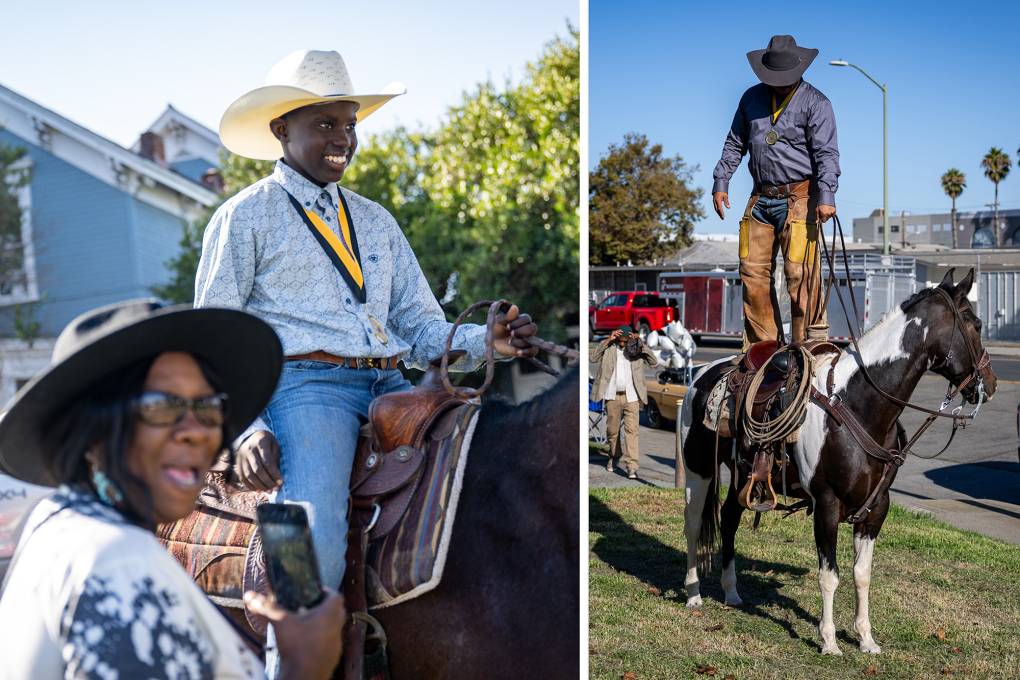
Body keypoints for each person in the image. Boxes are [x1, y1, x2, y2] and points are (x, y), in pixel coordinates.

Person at [194, 49, 538, 671]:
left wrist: (487, 339)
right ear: (281, 129)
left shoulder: (376, 222)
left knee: (494, 469)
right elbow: (216, 337)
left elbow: (422, 328)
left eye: (349, 124)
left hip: (393, 382)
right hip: (303, 387)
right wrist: (246, 429)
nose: (343, 139)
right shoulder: (243, 216)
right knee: (308, 542)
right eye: (325, 124)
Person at [0, 299, 346, 679]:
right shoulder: (119, 562)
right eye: (161, 407)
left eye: (208, 407)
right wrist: (305, 665)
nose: (197, 431)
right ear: (90, 432)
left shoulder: (55, 525)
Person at [711, 34, 840, 350]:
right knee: (752, 273)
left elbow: (826, 153)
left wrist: (826, 195)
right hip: (760, 198)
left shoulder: (817, 103)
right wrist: (721, 180)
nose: (779, 85)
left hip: (801, 198)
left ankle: (808, 348)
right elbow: (735, 143)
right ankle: (764, 349)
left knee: (800, 274)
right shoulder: (751, 98)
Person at [590, 328, 656, 479]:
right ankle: (614, 456)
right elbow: (593, 358)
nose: (622, 344)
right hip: (612, 396)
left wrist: (641, 343)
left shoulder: (636, 349)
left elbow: (654, 362)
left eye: (625, 342)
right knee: (612, 432)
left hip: (632, 397)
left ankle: (632, 467)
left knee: (632, 431)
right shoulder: (609, 348)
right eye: (620, 341)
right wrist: (608, 340)